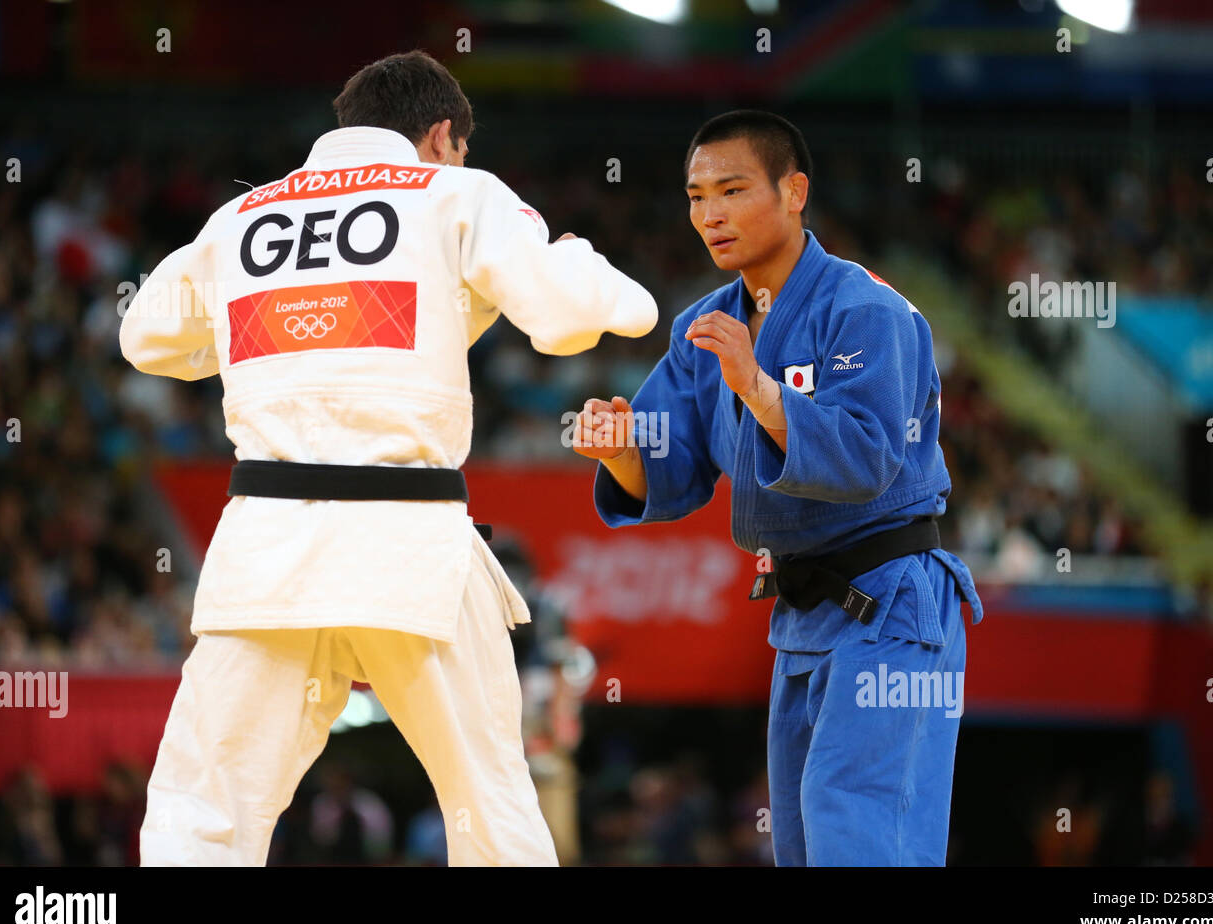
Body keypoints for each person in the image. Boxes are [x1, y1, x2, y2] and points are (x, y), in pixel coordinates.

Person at [120, 50, 657, 866]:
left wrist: (256, 344)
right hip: (409, 554)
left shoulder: (242, 218)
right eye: (462, 148)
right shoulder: (454, 193)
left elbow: (146, 337)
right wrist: (577, 261)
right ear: (439, 135)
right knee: (489, 804)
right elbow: (588, 314)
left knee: (204, 809)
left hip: (265, 556)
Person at [573, 109, 982, 866]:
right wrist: (623, 446)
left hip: (890, 601)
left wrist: (761, 390)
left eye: (732, 190)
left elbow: (867, 459)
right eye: (696, 196)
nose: (710, 214)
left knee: (854, 824)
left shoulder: (867, 311)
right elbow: (672, 465)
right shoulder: (707, 327)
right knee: (799, 842)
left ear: (794, 192)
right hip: (800, 616)